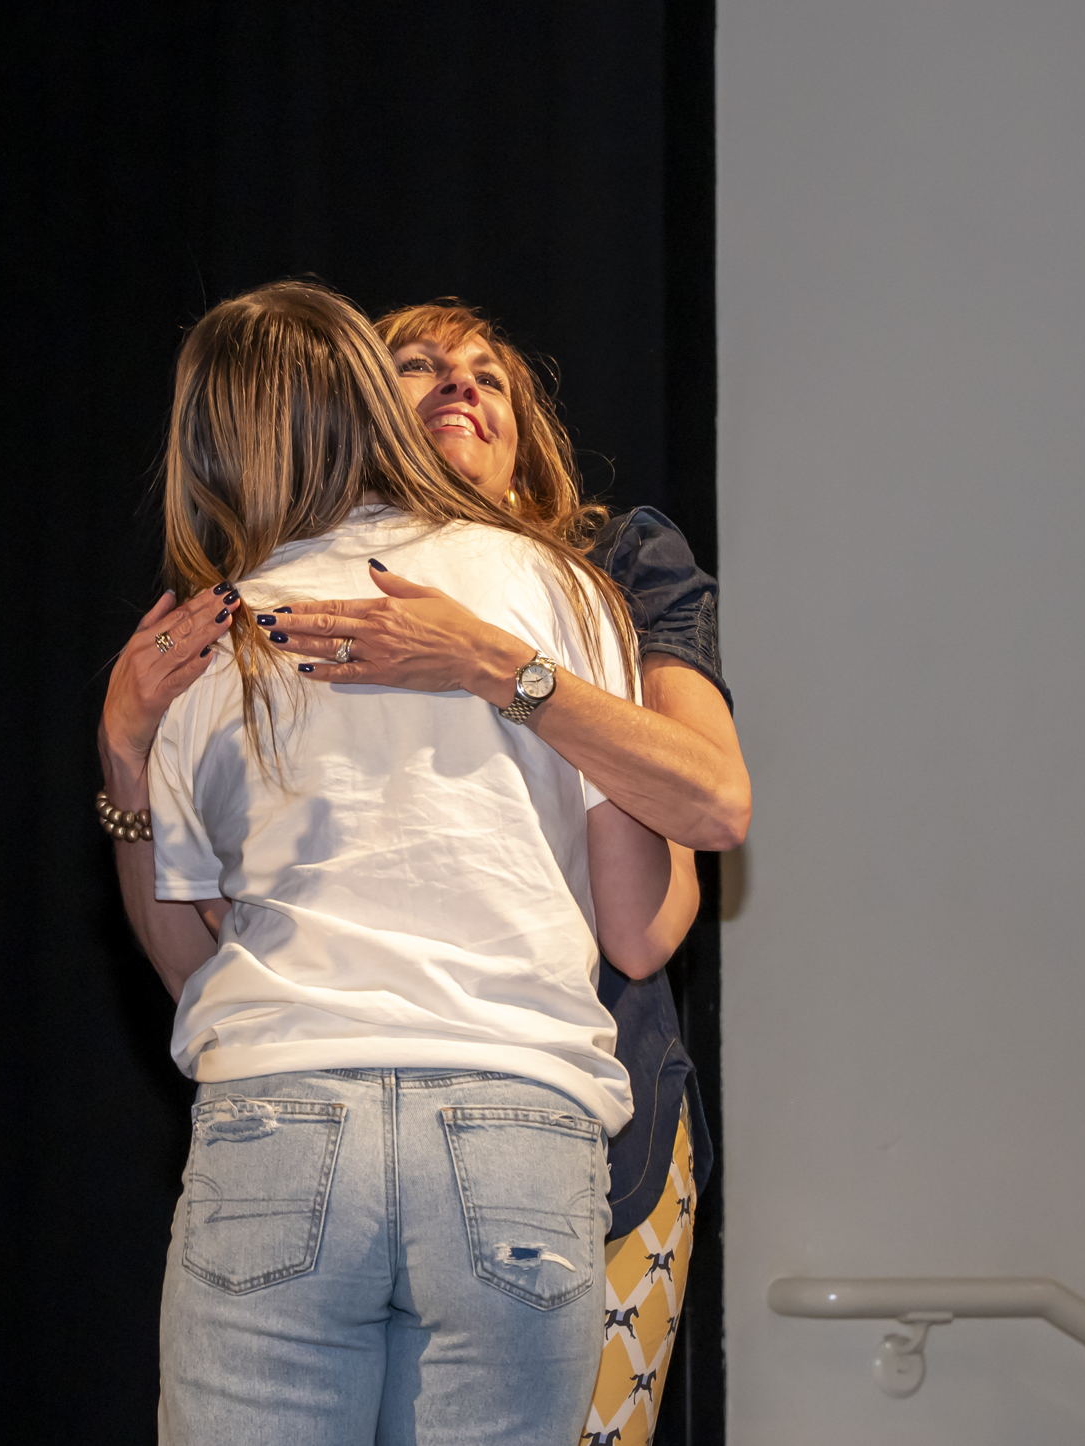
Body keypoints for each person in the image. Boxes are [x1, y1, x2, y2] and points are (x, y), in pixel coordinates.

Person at [99, 297, 746, 1446]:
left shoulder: (225, 619)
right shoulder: (575, 593)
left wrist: (122, 755)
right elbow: (642, 920)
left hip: (277, 1113)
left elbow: (192, 968)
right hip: (513, 1117)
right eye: (417, 364)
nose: (458, 387)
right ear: (364, 405)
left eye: (488, 373)